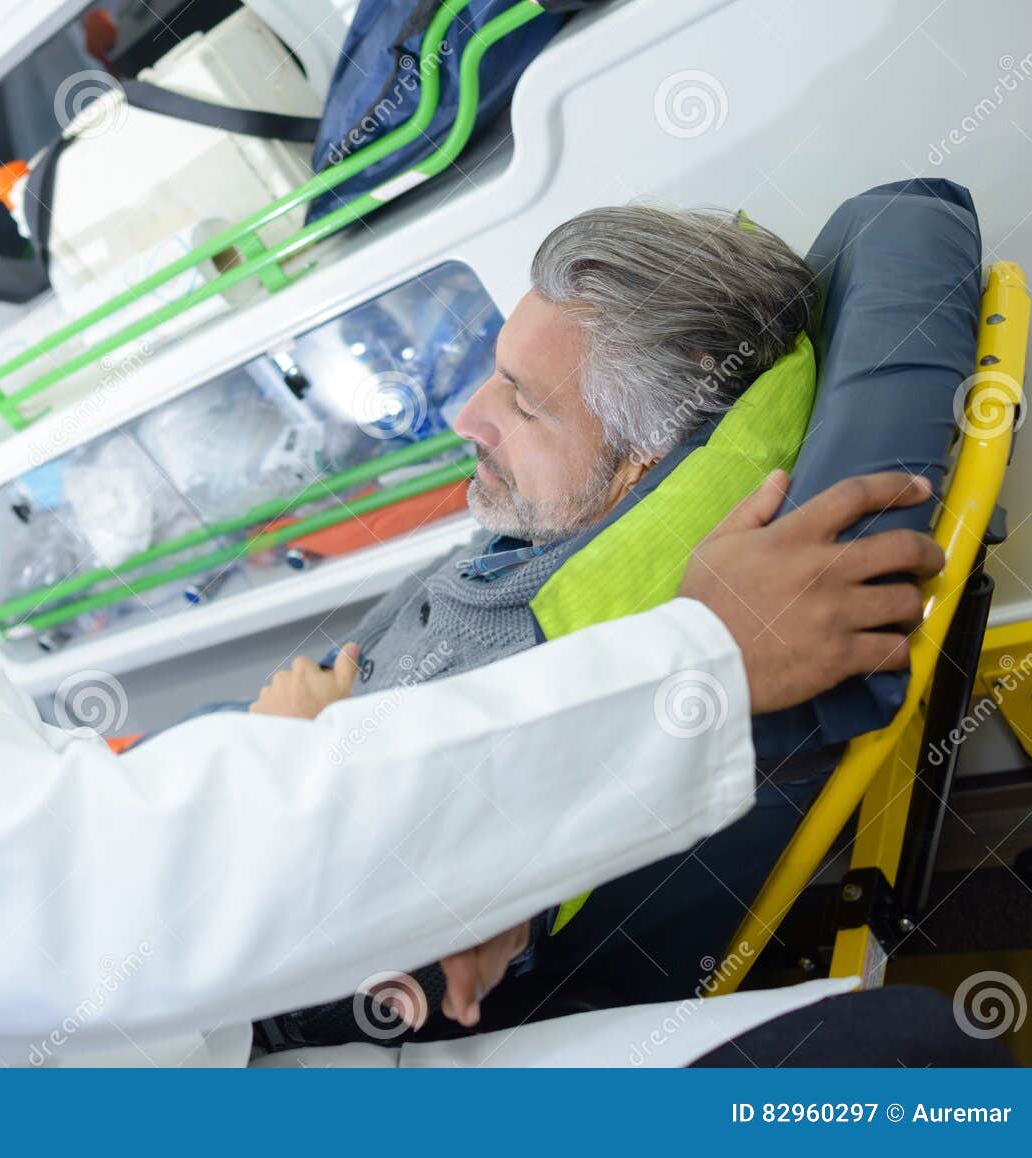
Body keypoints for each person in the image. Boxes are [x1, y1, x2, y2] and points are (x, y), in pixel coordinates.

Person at [0, 197, 947, 1067]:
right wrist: (701, 662)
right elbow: (127, 879)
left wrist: (405, 859)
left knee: (882, 1068)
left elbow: (53, 824)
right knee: (889, 1074)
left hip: (191, 1051)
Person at [244, 204, 835, 1044]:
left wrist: (290, 766)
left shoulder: (544, 668)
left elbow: (334, 999)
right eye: (495, 372)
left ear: (643, 460)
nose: (465, 417)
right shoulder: (532, 529)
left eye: (520, 404)